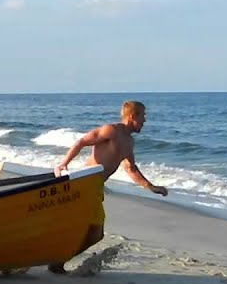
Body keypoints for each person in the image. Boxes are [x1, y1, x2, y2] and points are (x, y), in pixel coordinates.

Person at [49, 100, 167, 273]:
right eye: (143, 116)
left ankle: (57, 260)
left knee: (94, 234)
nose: (145, 120)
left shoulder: (129, 142)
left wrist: (151, 187)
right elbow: (82, 141)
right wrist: (63, 164)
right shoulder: (111, 131)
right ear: (133, 116)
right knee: (90, 231)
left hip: (96, 187)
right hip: (85, 183)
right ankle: (55, 260)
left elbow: (130, 168)